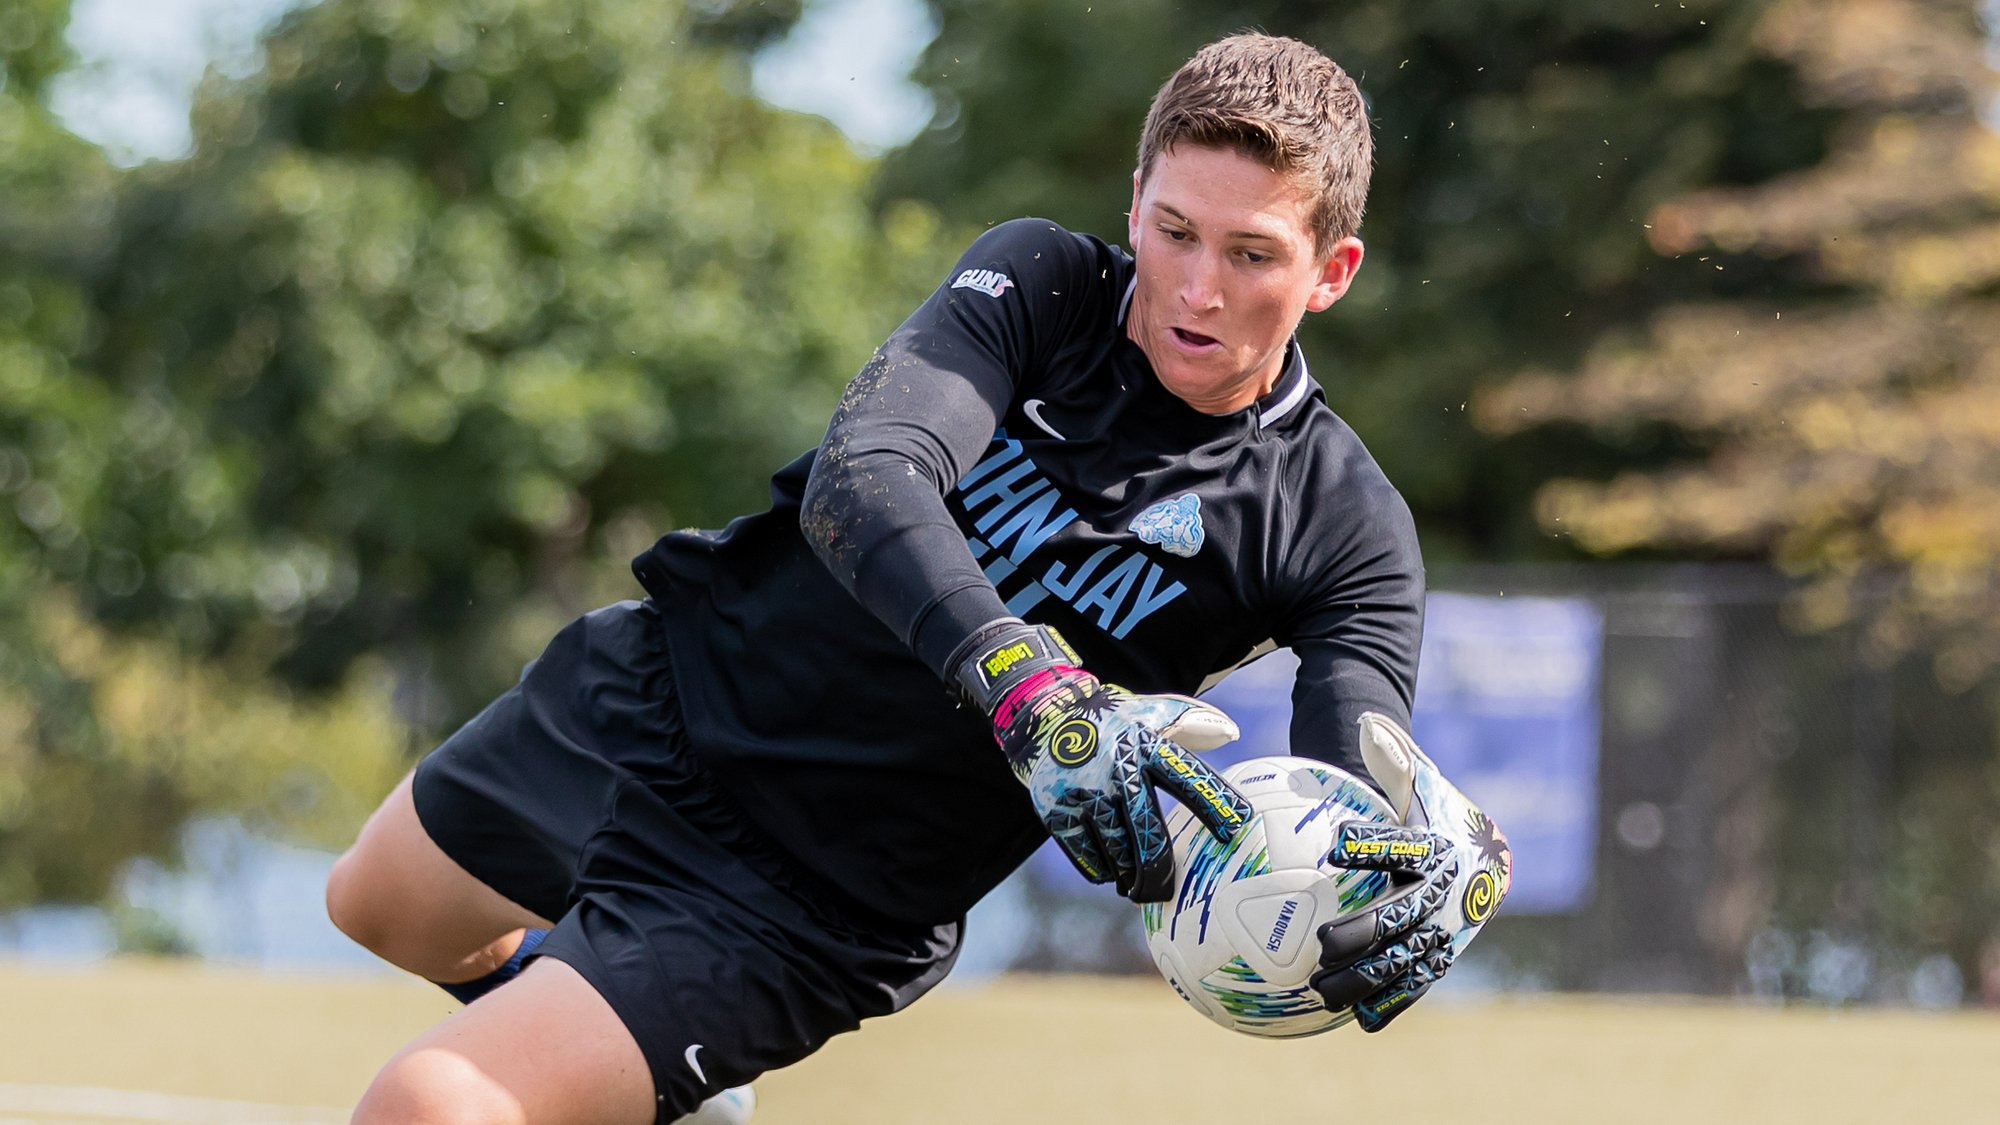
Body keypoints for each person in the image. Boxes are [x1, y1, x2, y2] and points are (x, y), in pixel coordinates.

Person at [324, 32, 1510, 1125]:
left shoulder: (1342, 521)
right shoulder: (1044, 284)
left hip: (809, 890)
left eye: (1251, 254)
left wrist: (1441, 866)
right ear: (1134, 204)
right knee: (371, 904)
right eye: (1172, 230)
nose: (1195, 287)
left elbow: (1359, 772)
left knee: (432, 1104)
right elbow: (866, 478)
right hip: (663, 694)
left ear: (1331, 271)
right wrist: (1026, 687)